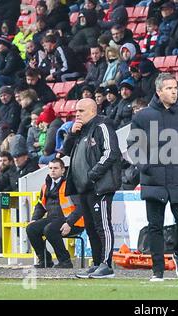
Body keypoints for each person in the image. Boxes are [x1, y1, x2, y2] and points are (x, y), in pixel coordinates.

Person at [127, 73, 178, 281]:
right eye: (169, 88)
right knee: (155, 226)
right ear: (159, 92)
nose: (174, 91)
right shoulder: (142, 117)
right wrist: (146, 166)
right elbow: (133, 146)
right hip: (154, 181)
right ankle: (157, 270)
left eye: (175, 87)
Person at [63, 98, 122, 279]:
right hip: (83, 188)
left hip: (99, 186)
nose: (77, 115)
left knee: (102, 226)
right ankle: (96, 263)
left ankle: (106, 264)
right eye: (76, 112)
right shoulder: (80, 131)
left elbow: (111, 152)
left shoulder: (102, 126)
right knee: (90, 227)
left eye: (81, 111)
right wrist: (72, 134)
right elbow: (65, 151)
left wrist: (92, 175)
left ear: (92, 111)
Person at [26, 158, 85, 268]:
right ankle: (45, 260)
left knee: (49, 229)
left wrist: (69, 223)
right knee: (31, 228)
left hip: (72, 221)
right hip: (52, 219)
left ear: (63, 170)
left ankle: (65, 261)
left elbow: (81, 207)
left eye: (56, 168)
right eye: (51, 168)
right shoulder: (45, 186)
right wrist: (34, 219)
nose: (53, 170)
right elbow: (40, 205)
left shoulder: (70, 185)